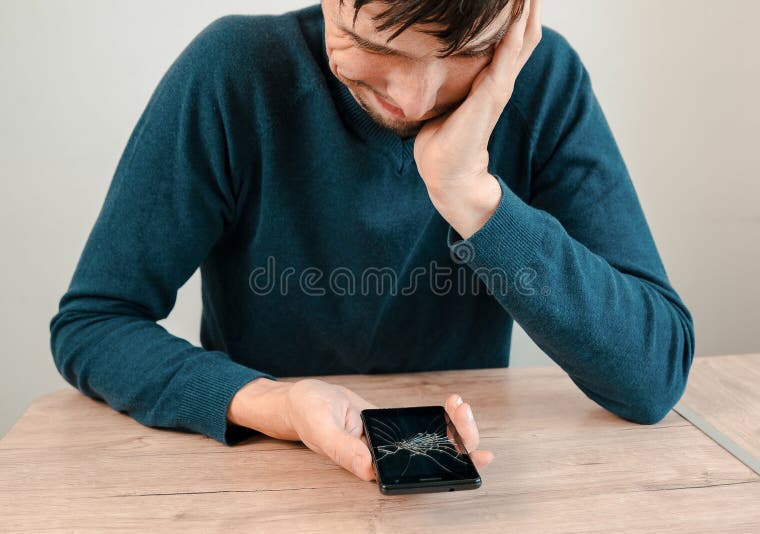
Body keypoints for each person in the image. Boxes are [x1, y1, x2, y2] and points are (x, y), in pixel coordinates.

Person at [50, 0, 695, 483]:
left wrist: (473, 196)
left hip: (470, 491)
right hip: (257, 479)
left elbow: (652, 375)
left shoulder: (543, 81)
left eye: (468, 50)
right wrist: (280, 403)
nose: (414, 100)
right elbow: (96, 322)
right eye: (372, 43)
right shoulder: (236, 73)